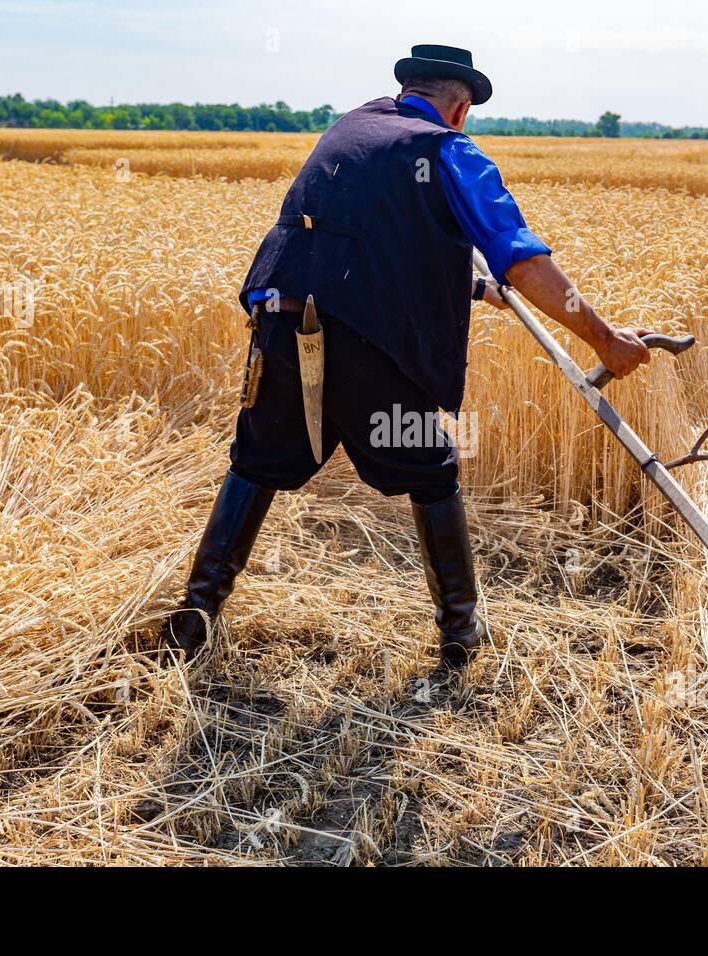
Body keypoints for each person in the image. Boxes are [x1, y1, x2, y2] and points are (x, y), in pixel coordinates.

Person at [165, 45, 653, 669]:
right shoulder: (449, 149)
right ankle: (461, 634)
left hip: (280, 324)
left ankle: (192, 624)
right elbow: (523, 258)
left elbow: (367, 245)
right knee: (429, 468)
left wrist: (476, 289)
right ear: (461, 106)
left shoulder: (348, 129)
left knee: (258, 462)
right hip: (368, 341)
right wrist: (605, 340)